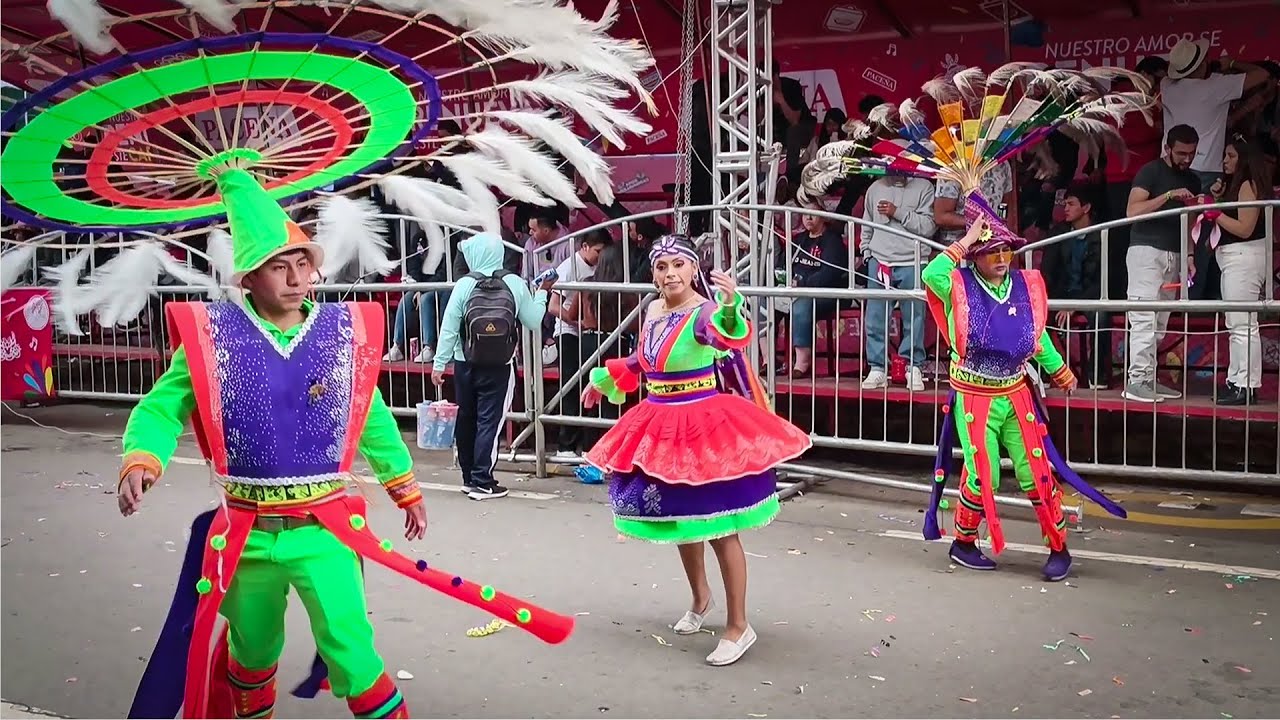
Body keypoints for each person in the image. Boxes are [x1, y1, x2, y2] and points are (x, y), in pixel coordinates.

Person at [118, 168, 428, 719]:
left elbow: (370, 414)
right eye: (277, 267)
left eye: (302, 264)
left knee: (353, 653)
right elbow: (162, 406)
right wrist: (142, 460)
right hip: (245, 535)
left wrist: (403, 486)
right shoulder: (213, 338)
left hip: (325, 531)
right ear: (248, 279)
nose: (294, 278)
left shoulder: (340, 333)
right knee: (252, 653)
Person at [581, 234, 812, 666]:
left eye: (679, 265)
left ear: (694, 270)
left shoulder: (704, 311)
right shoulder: (652, 310)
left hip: (703, 423)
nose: (670, 274)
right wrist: (604, 380)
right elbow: (641, 362)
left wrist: (729, 307)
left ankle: (739, 626)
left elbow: (724, 338)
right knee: (680, 518)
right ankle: (701, 598)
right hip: (660, 420)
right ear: (653, 273)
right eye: (662, 266)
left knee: (721, 525)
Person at [921, 215, 1128, 581]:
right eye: (992, 251)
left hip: (1016, 393)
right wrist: (967, 239)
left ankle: (1059, 546)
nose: (1002, 258)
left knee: (1036, 471)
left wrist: (1058, 368)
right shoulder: (957, 284)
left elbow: (1036, 334)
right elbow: (931, 274)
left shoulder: (1022, 286)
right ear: (974, 256)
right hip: (974, 397)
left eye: (1006, 250)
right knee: (983, 475)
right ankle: (964, 542)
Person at [432, 232, 556, 499]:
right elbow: (534, 320)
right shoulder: (513, 282)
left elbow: (449, 327)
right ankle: (482, 480)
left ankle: (470, 477)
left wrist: (439, 364)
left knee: (467, 419)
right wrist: (543, 294)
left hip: (464, 363)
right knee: (490, 420)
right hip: (500, 364)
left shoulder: (464, 285)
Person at [1123, 124, 1202, 403]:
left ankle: (1147, 378)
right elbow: (1132, 211)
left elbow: (1191, 222)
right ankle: (1136, 382)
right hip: (1145, 251)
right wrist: (1168, 196)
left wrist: (1189, 256)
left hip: (1175, 253)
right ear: (1168, 148)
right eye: (1181, 153)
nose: (1187, 159)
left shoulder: (1193, 179)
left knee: (1160, 321)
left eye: (1192, 153)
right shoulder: (1151, 171)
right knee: (1144, 317)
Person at [1205, 136, 1272, 405]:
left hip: (1243, 257)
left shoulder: (1248, 184)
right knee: (1237, 324)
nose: (1224, 161)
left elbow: (1244, 228)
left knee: (1243, 325)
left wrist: (1215, 213)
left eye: (1230, 156)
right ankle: (1236, 380)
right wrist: (1219, 199)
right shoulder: (1241, 185)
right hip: (1236, 258)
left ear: (1244, 158)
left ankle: (1245, 384)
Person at [859, 171, 937, 391]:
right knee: (875, 317)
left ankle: (913, 367)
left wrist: (897, 212)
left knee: (915, 317)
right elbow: (866, 223)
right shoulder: (874, 188)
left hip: (913, 260)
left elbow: (929, 227)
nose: (894, 171)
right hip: (880, 260)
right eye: (890, 167)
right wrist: (867, 252)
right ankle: (877, 368)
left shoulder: (924, 187)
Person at [548, 230, 613, 460]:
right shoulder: (568, 267)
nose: (599, 257)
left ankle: (584, 444)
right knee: (570, 386)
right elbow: (553, 306)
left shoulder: (599, 267)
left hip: (586, 333)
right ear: (585, 246)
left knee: (588, 387)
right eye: (597, 251)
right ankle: (565, 445)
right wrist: (576, 321)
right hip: (567, 332)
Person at [1042, 186, 1112, 389]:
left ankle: (1096, 377)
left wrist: (1074, 305)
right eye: (1065, 203)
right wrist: (1059, 302)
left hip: (1091, 296)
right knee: (1037, 316)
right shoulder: (1058, 233)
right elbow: (1047, 272)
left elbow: (1103, 281)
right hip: (1061, 296)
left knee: (1101, 316)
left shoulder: (1102, 235)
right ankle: (1043, 376)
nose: (1065, 208)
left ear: (1086, 207)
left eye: (1071, 203)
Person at [781, 211, 849, 377]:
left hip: (827, 294)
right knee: (763, 302)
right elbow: (782, 264)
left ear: (823, 216)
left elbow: (830, 274)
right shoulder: (799, 239)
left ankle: (802, 361)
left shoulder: (832, 241)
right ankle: (768, 360)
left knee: (803, 303)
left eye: (812, 214)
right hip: (794, 291)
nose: (808, 218)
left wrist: (803, 284)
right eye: (804, 215)